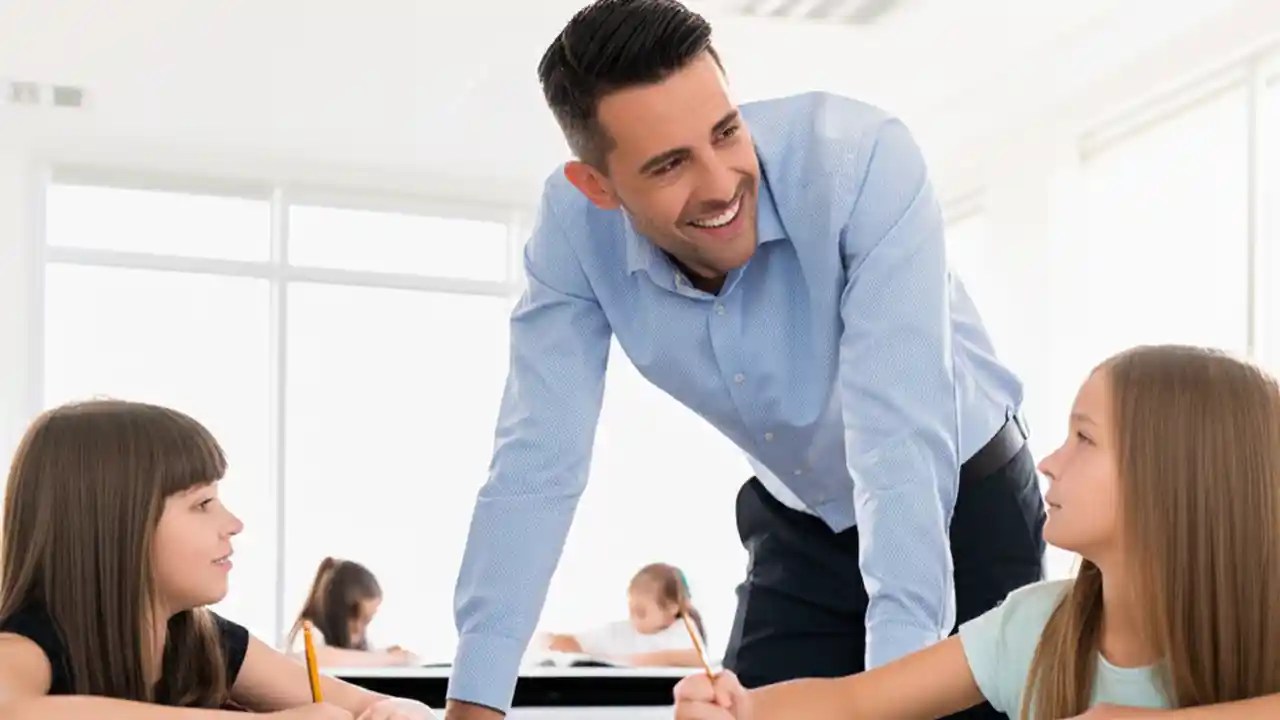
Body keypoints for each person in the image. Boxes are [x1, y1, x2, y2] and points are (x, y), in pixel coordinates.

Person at [445, 1, 1045, 718]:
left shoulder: (862, 161)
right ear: (598, 187)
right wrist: (474, 704)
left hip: (959, 502)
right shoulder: (574, 234)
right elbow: (535, 463)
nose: (722, 183)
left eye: (727, 132)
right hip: (798, 522)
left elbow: (899, 443)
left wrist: (887, 697)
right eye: (670, 165)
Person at [672, 345, 1280, 720]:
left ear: (1171, 478)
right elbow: (855, 702)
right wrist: (745, 708)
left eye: (1085, 439)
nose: (1047, 462)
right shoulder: (1036, 628)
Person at [0, 400, 435, 720]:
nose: (234, 523)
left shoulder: (205, 640)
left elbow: (368, 705)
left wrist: (400, 711)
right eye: (203, 503)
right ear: (113, 523)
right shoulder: (25, 643)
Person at [542, 563, 707, 667]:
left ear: (671, 609)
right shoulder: (621, 631)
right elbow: (577, 642)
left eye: (641, 613)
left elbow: (696, 659)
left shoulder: (683, 629)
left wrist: (625, 661)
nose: (634, 619)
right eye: (631, 611)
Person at [287, 558, 418, 668]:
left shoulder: (357, 643)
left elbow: (363, 659)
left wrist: (387, 655)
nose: (360, 629)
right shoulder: (308, 632)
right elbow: (315, 658)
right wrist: (390, 659)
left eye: (367, 621)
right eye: (357, 619)